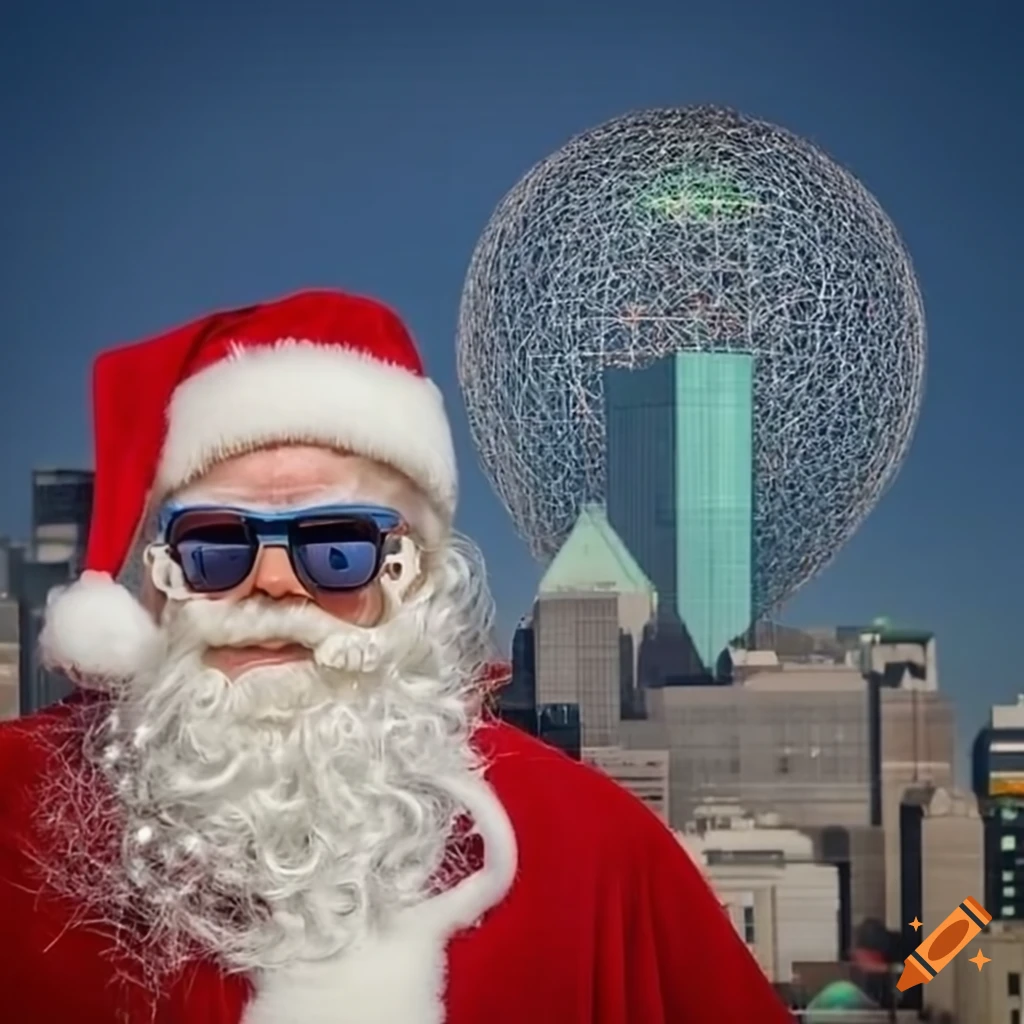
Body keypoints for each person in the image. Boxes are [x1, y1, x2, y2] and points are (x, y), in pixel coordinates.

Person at [0, 290, 792, 1023]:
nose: (273, 584)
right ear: (162, 582)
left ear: (413, 576)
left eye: (335, 548)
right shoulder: (15, 808)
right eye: (218, 547)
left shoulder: (591, 849)